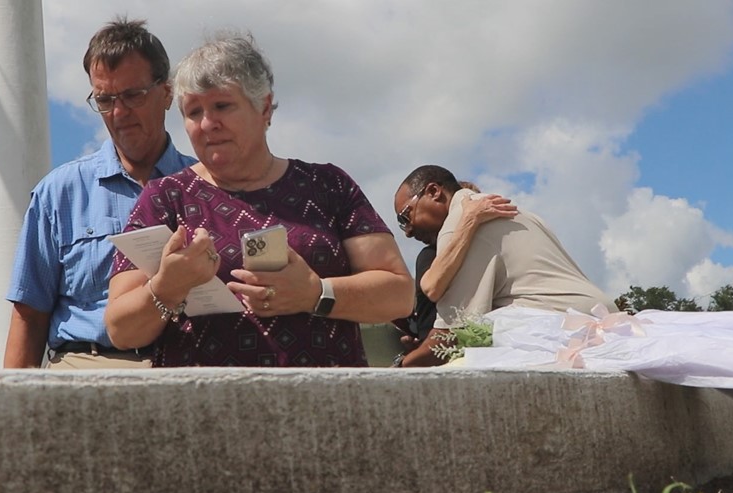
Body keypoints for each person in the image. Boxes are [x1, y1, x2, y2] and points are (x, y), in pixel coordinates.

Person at [104, 33, 413, 366]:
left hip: (326, 407)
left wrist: (316, 293)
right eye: (194, 112)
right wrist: (165, 287)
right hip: (203, 408)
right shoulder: (164, 198)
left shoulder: (327, 185)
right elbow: (120, 329)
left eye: (222, 105)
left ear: (264, 107)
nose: (208, 124)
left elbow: (399, 294)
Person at [4, 17, 196, 369]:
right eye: (105, 100)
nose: (119, 113)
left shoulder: (206, 186)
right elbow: (29, 316)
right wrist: (9, 414)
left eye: (132, 95)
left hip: (190, 370)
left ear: (167, 93)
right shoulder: (59, 193)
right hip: (85, 368)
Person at [393, 165, 615, 367]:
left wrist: (400, 367)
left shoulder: (459, 225)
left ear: (433, 192)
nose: (408, 231)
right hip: (607, 323)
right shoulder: (524, 214)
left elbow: (452, 335)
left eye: (405, 217)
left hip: (561, 334)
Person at [393, 181, 517, 363]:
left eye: (405, 217)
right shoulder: (432, 255)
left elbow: (450, 331)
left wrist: (404, 365)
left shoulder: (434, 254)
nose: (408, 232)